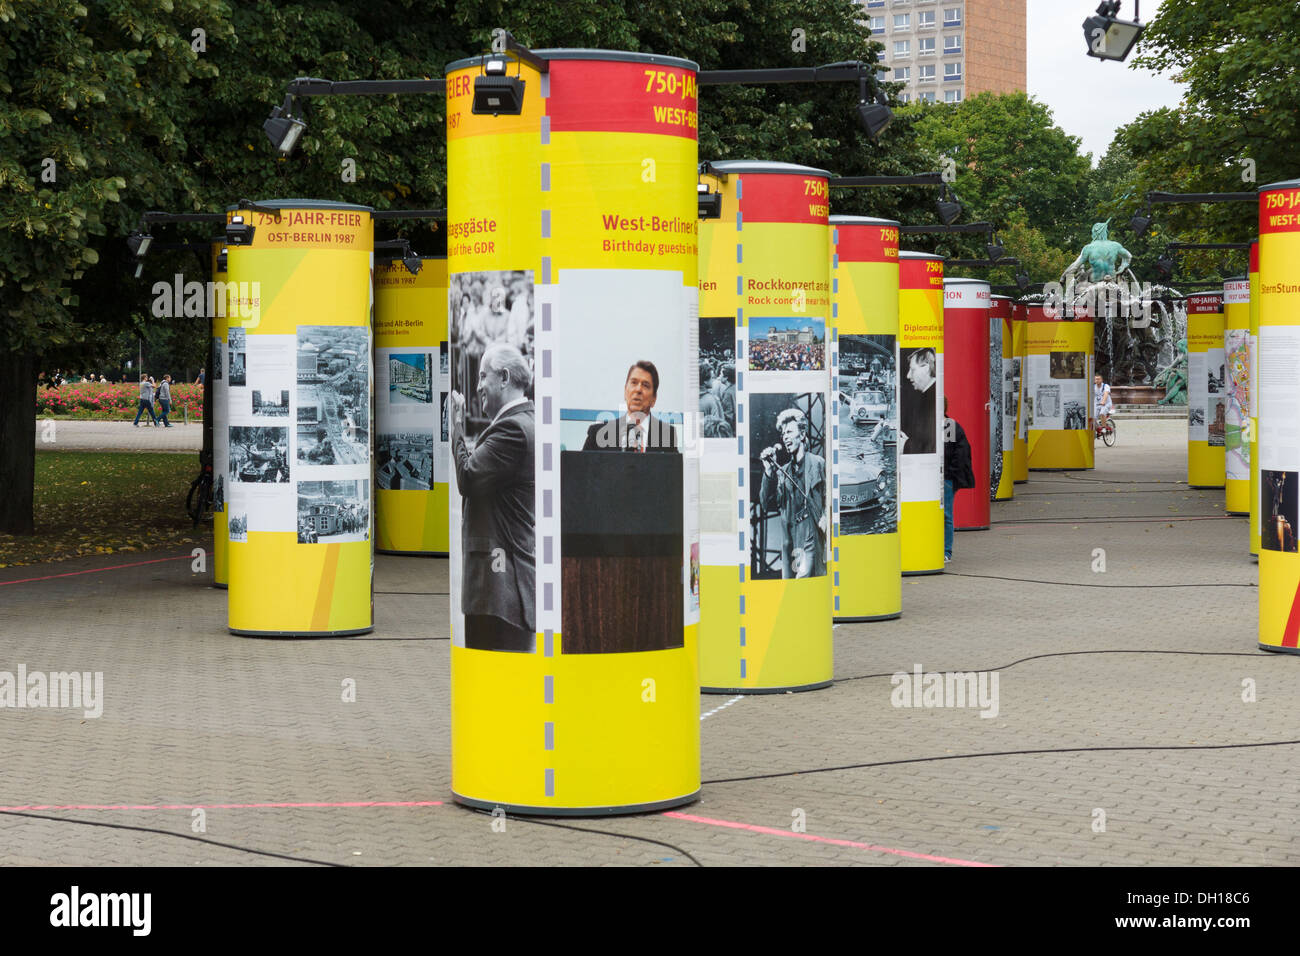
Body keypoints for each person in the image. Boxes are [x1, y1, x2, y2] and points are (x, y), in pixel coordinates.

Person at [450, 343, 536, 653]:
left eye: (483, 375)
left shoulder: (513, 429)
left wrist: (456, 427)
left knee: (496, 684)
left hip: (499, 595)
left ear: (504, 377)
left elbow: (469, 476)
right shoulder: (524, 423)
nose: (477, 385)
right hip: (505, 593)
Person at [760, 408, 827, 578]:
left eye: (789, 431)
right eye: (783, 434)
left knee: (803, 580)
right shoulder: (782, 473)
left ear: (802, 435)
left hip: (811, 533)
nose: (785, 437)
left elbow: (829, 499)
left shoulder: (818, 464)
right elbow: (765, 504)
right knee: (792, 588)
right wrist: (768, 472)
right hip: (790, 540)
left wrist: (826, 516)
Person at [583, 360, 677, 452]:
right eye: (634, 383)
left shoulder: (667, 435)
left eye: (645, 385)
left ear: (654, 399)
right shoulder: (598, 434)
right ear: (625, 391)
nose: (638, 389)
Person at [943, 396, 975, 563]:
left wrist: (949, 474)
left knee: (946, 514)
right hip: (946, 477)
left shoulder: (949, 426)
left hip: (946, 478)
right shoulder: (949, 425)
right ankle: (944, 550)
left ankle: (946, 551)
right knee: (946, 515)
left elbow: (955, 454)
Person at [899, 348, 937, 455]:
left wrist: (905, 446)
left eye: (912, 370)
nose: (908, 375)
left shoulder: (931, 400)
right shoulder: (930, 396)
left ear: (926, 368)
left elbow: (931, 446)